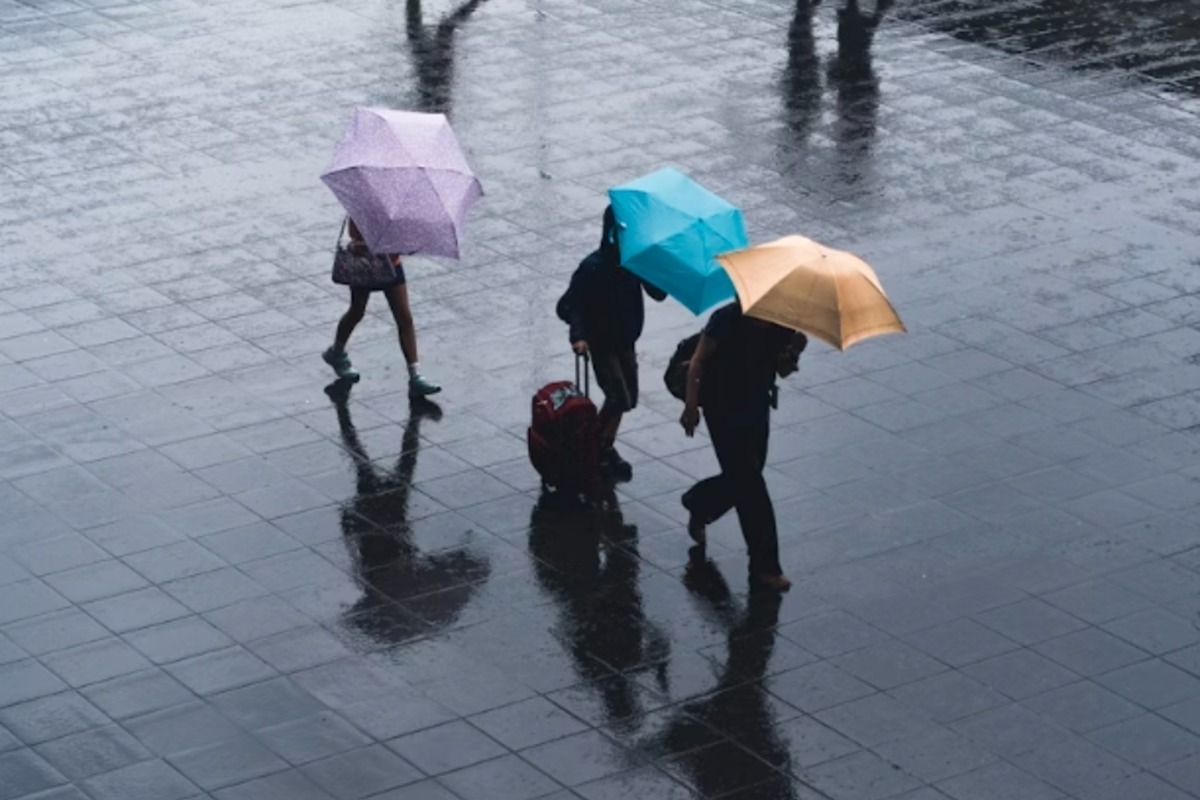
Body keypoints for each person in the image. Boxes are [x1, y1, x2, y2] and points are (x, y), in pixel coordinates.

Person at [679, 302, 807, 593]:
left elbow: (782, 369)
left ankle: (700, 502)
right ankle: (765, 566)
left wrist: (795, 350)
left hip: (756, 406)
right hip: (721, 407)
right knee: (752, 486)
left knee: (746, 477)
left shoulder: (781, 323)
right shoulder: (725, 319)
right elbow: (698, 361)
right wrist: (691, 405)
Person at [558, 205, 666, 479]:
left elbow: (658, 293)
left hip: (626, 341)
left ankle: (603, 447)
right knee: (618, 396)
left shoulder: (634, 264)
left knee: (627, 399)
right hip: (602, 343)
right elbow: (571, 305)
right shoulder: (594, 267)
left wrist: (655, 265)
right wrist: (579, 336)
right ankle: (593, 447)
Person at [323, 217, 441, 398]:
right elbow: (354, 232)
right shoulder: (363, 202)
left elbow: (404, 236)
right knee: (357, 310)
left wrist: (406, 243)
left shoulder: (399, 207)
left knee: (404, 318)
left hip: (392, 264)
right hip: (366, 264)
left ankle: (415, 375)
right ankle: (337, 352)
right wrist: (363, 243)